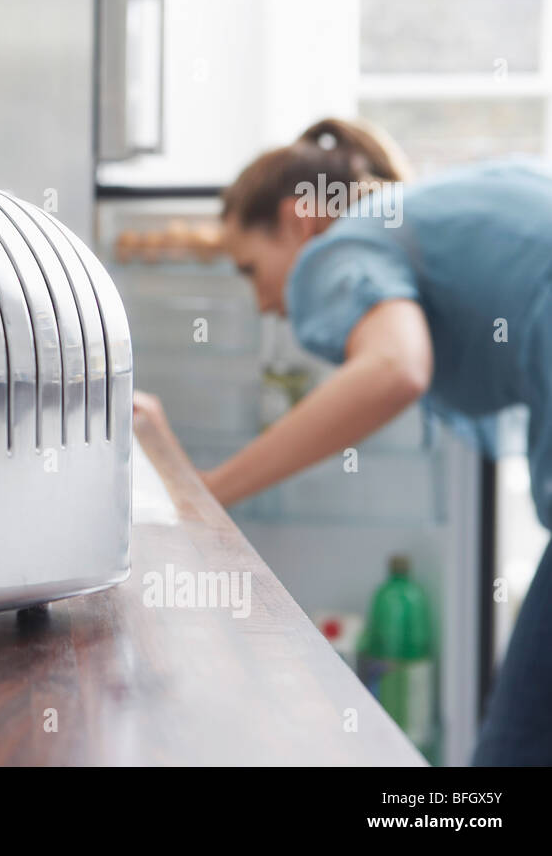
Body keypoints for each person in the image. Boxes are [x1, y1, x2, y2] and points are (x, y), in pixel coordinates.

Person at [133, 117, 552, 765]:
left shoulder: (337, 247)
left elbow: (394, 369)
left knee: (515, 749)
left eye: (250, 269)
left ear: (299, 219)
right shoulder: (429, 208)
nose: (265, 302)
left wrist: (203, 501)